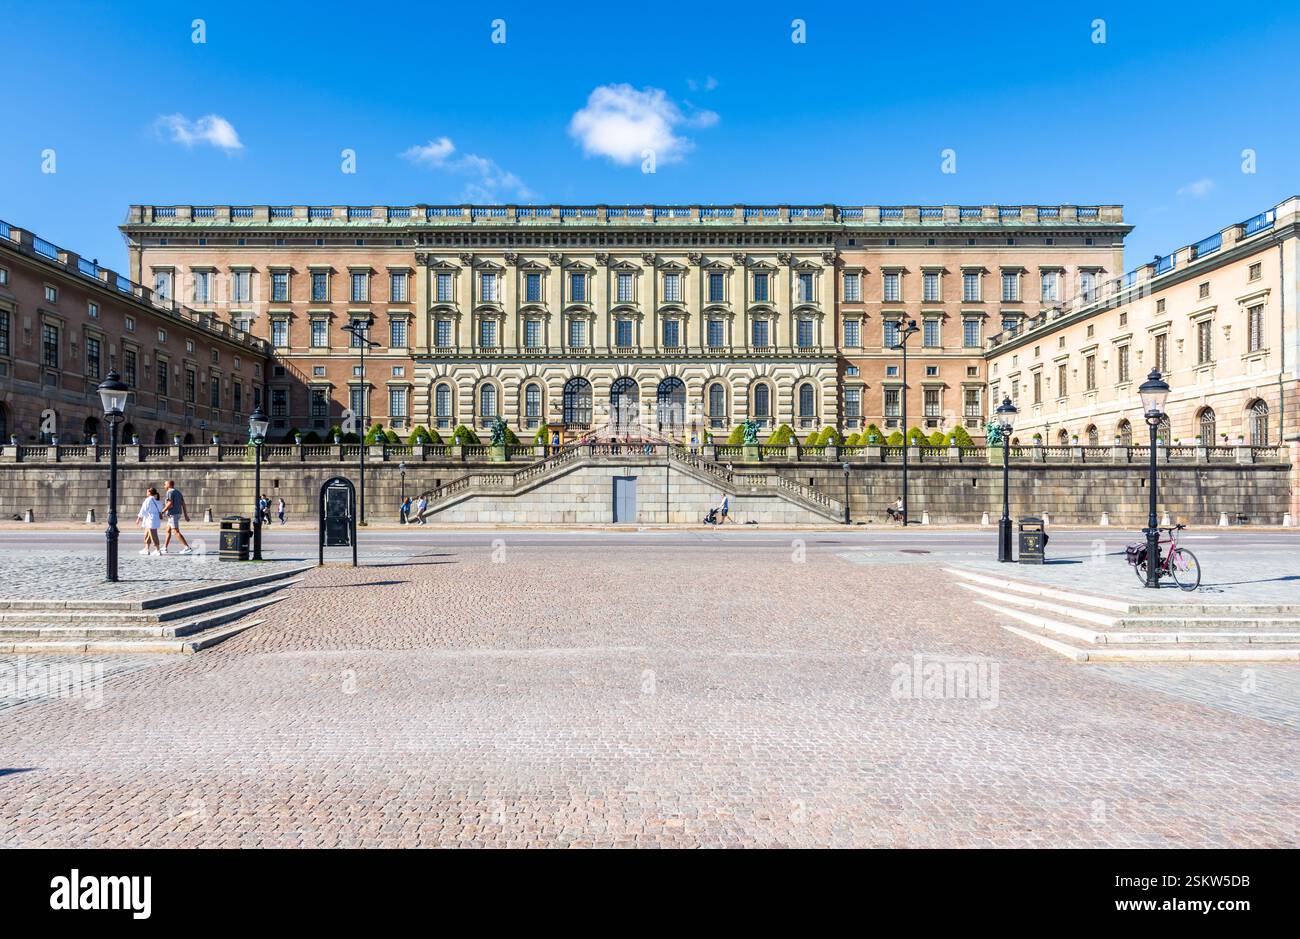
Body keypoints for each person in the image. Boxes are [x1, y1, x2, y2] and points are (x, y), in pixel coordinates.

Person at [160, 479, 192, 555]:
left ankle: (187, 547)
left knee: (175, 531)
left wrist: (162, 511)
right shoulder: (178, 492)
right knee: (168, 530)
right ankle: (165, 547)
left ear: (169, 485)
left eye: (165, 484)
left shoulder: (169, 492)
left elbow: (170, 503)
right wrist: (185, 515)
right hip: (177, 513)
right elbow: (183, 504)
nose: (164, 486)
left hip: (173, 514)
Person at [136, 486, 164, 555]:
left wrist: (138, 519)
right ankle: (146, 549)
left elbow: (143, 510)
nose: (146, 492)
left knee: (153, 535)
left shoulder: (148, 500)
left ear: (149, 492)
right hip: (154, 519)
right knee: (147, 534)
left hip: (150, 520)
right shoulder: (157, 500)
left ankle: (158, 550)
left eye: (147, 491)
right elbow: (160, 509)